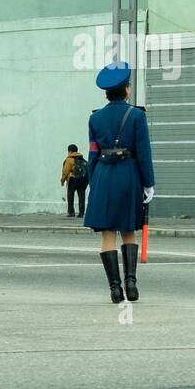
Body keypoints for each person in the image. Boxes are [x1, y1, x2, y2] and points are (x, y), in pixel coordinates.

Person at [84, 61, 155, 303]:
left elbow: (93, 153)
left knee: (107, 235)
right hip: (129, 176)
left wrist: (94, 183)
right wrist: (149, 183)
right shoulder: (136, 115)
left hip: (103, 176)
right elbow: (143, 153)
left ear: (106, 93)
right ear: (126, 90)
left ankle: (115, 289)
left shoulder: (95, 119)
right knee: (128, 232)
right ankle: (131, 284)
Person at [61, 144, 89, 218]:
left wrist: (62, 180)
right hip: (83, 180)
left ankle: (71, 212)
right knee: (82, 196)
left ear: (69, 151)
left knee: (70, 195)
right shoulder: (82, 159)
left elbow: (65, 171)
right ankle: (81, 213)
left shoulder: (69, 159)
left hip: (73, 179)